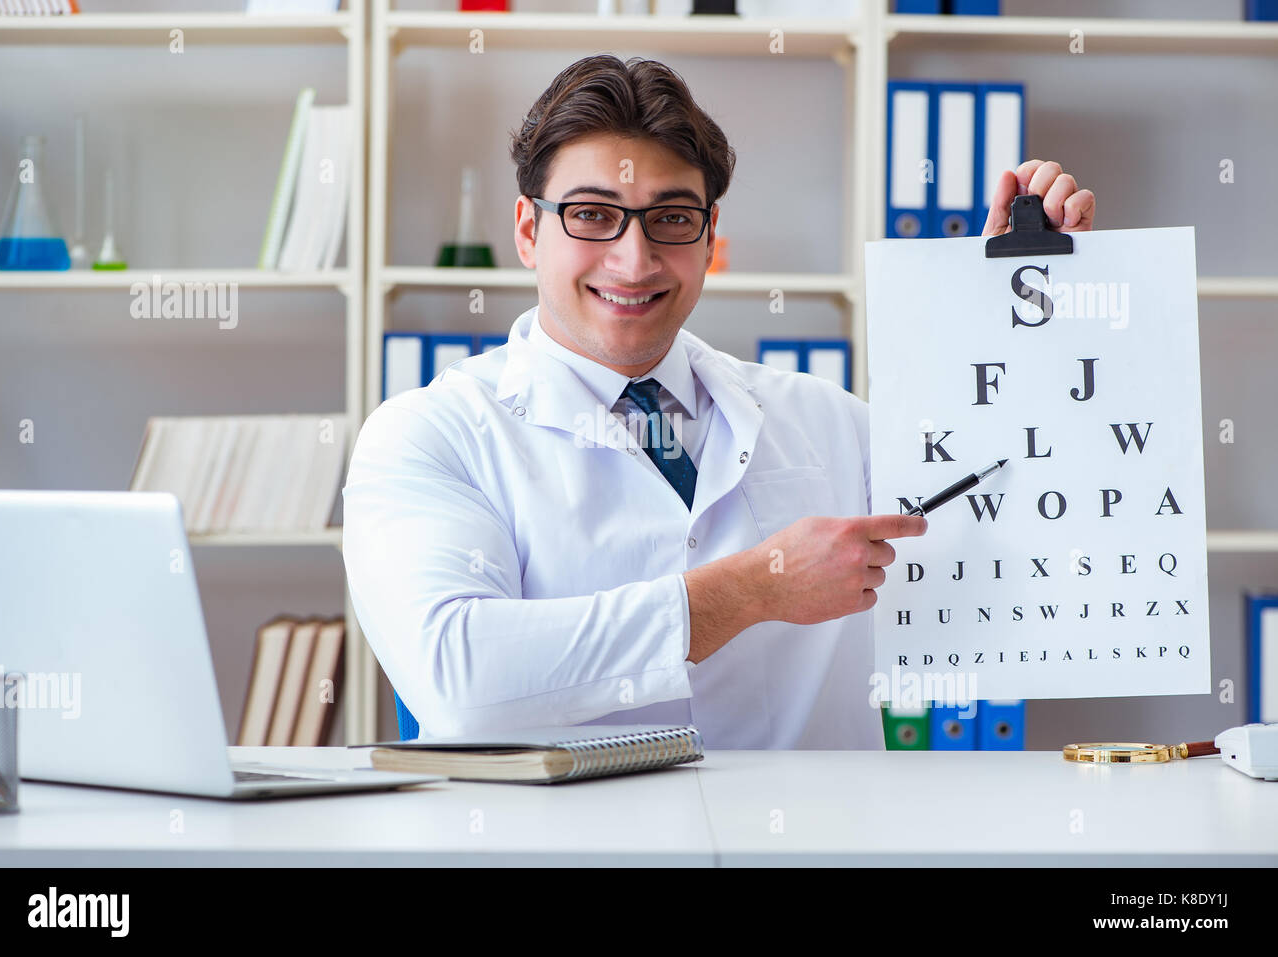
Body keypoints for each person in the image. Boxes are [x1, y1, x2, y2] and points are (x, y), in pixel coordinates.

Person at [342, 54, 1096, 748]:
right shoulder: (428, 435)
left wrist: (1011, 321)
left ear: (710, 239)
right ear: (527, 231)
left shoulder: (829, 421)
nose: (633, 260)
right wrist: (754, 586)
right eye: (592, 214)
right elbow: (459, 683)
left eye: (672, 218)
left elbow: (1019, 555)